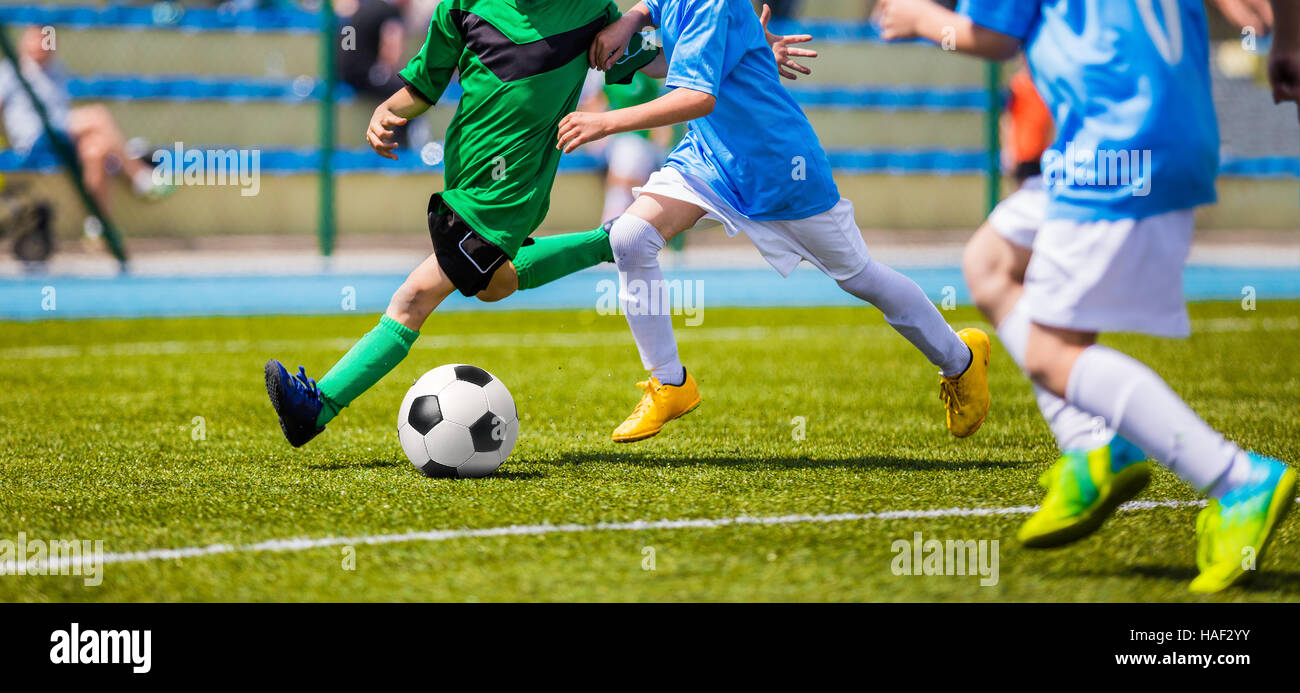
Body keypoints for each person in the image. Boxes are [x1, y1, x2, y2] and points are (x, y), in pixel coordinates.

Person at [874, 0, 1298, 592]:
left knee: (1052, 352)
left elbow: (992, 36)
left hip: (1117, 146)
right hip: (1148, 138)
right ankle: (1094, 450)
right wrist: (1288, 40)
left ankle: (1236, 480)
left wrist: (917, 18)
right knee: (990, 263)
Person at [264, 0, 816, 449]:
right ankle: (614, 240)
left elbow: (658, 59)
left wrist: (748, 49)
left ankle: (317, 405)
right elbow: (427, 80)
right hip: (464, 184)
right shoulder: (461, 6)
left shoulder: (586, 14)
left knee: (412, 299)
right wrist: (390, 110)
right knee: (497, 282)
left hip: (503, 197)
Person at [560, 0, 991, 444]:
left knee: (860, 276)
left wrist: (606, 122)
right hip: (710, 160)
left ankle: (960, 359)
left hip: (778, 166)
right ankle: (669, 383)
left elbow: (698, 97)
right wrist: (631, 21)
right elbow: (659, 15)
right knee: (631, 236)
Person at [0, 26, 172, 228]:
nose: (41, 45)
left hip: (61, 135)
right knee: (98, 116)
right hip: (33, 137)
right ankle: (138, 173)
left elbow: (61, 110)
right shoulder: (10, 70)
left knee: (96, 149)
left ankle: (97, 223)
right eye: (36, 39)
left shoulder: (56, 70)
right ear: (24, 43)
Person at [337, 0, 413, 147]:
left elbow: (346, 38)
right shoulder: (390, 12)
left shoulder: (364, 8)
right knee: (410, 92)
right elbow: (391, 51)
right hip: (364, 73)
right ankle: (400, 144)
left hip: (344, 72)